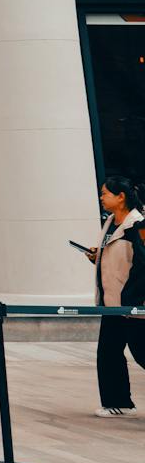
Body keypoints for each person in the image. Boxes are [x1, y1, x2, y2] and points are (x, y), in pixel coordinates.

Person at [88, 176, 145, 416]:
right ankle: (118, 402)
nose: (101, 197)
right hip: (111, 302)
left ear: (120, 197)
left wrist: (132, 299)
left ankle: (119, 402)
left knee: (142, 351)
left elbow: (142, 264)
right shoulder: (111, 222)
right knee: (108, 352)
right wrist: (97, 256)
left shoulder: (138, 225)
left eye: (105, 193)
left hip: (131, 303)